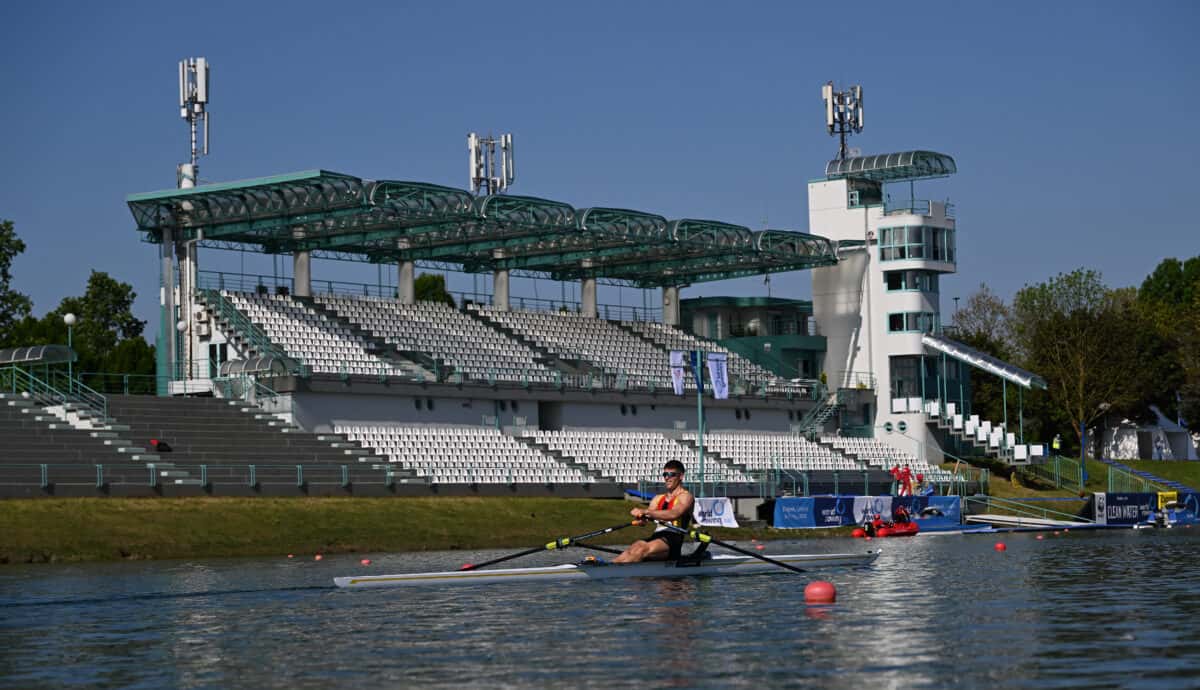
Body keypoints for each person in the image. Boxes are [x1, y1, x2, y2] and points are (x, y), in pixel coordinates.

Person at [614, 460, 695, 563]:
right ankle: (609, 566)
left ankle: (617, 573)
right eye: (665, 474)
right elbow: (645, 521)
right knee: (635, 547)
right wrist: (641, 519)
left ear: (681, 476)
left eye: (671, 474)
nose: (667, 477)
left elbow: (674, 513)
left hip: (673, 541)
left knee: (641, 549)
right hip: (656, 537)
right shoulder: (657, 498)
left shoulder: (686, 497)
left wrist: (646, 512)